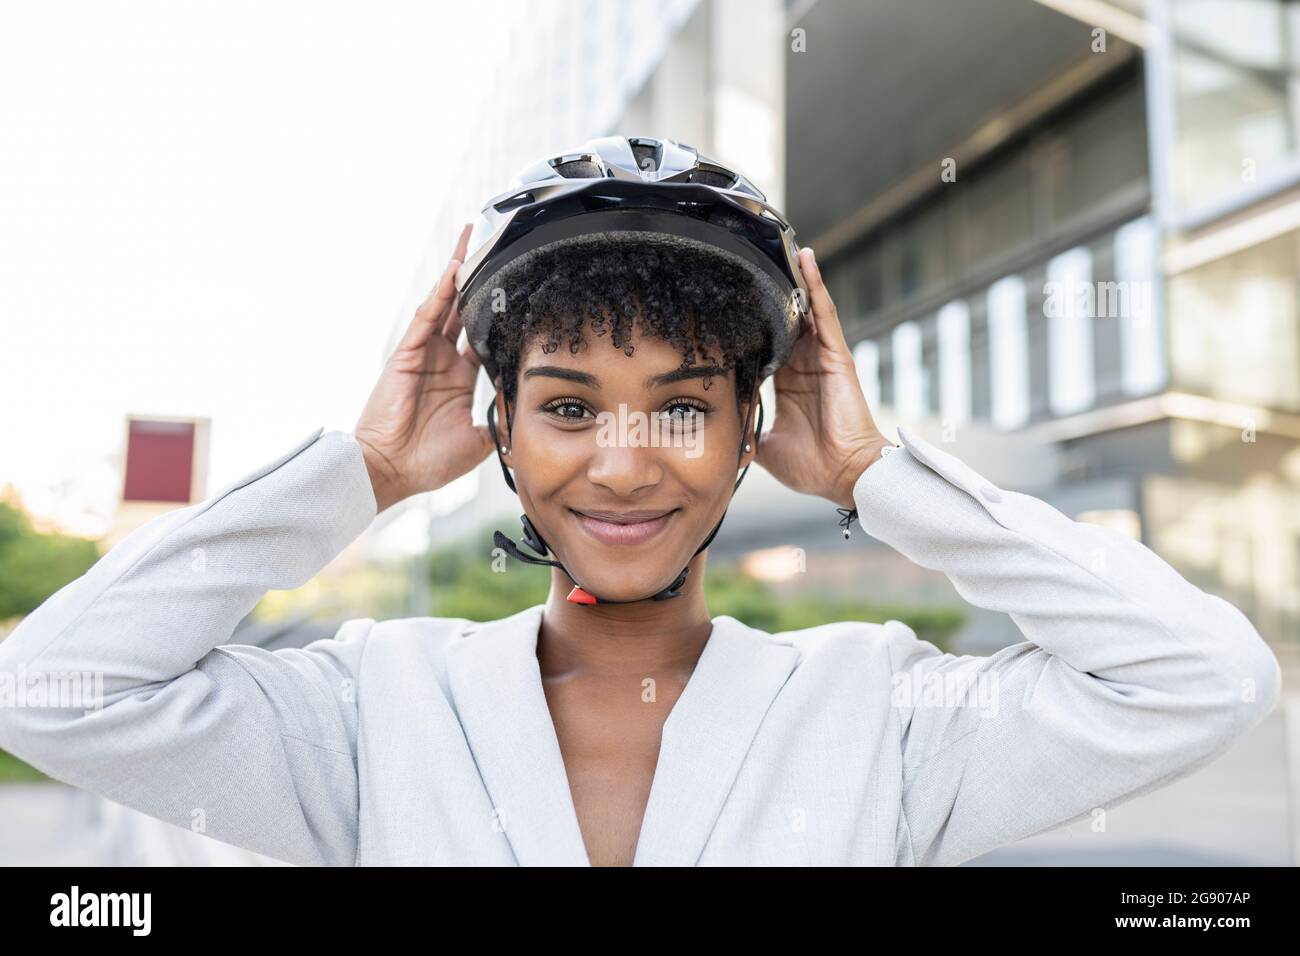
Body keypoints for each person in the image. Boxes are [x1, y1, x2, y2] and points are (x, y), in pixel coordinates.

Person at [0, 137, 1282, 867]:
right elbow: (55, 688)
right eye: (565, 406)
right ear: (496, 427)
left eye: (682, 405)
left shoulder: (884, 713)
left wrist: (874, 477)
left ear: (744, 435)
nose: (622, 465)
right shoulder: (368, 706)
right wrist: (367, 471)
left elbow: (1201, 679)